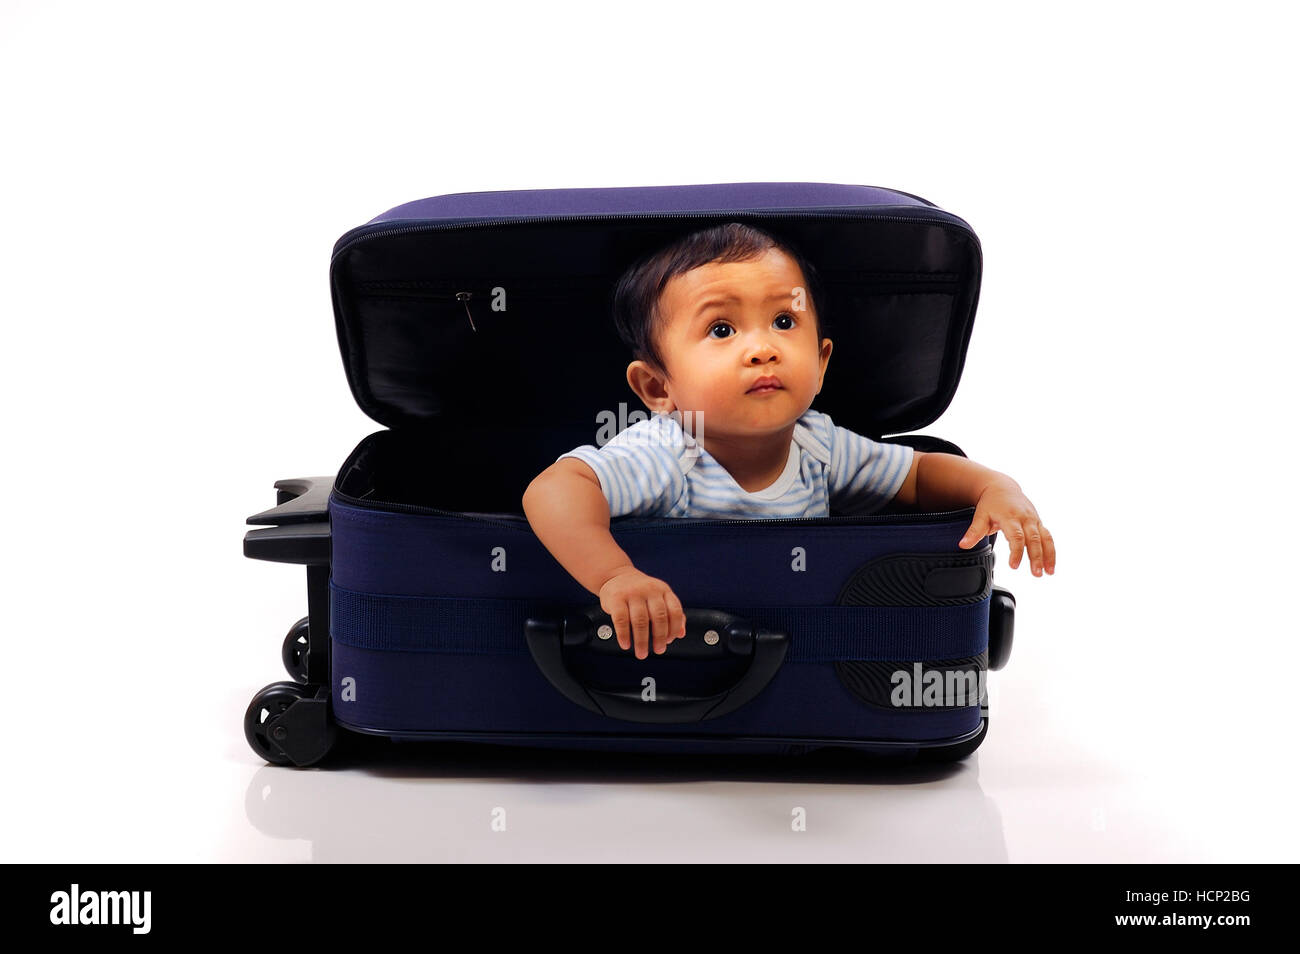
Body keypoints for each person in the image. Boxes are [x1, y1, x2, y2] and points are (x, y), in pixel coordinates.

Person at [522, 223, 1054, 660]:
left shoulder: (819, 445)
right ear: (658, 388)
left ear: (822, 363)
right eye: (722, 329)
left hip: (801, 652)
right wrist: (614, 574)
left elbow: (917, 476)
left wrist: (995, 489)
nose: (762, 348)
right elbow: (554, 489)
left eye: (783, 320)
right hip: (679, 661)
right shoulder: (668, 451)